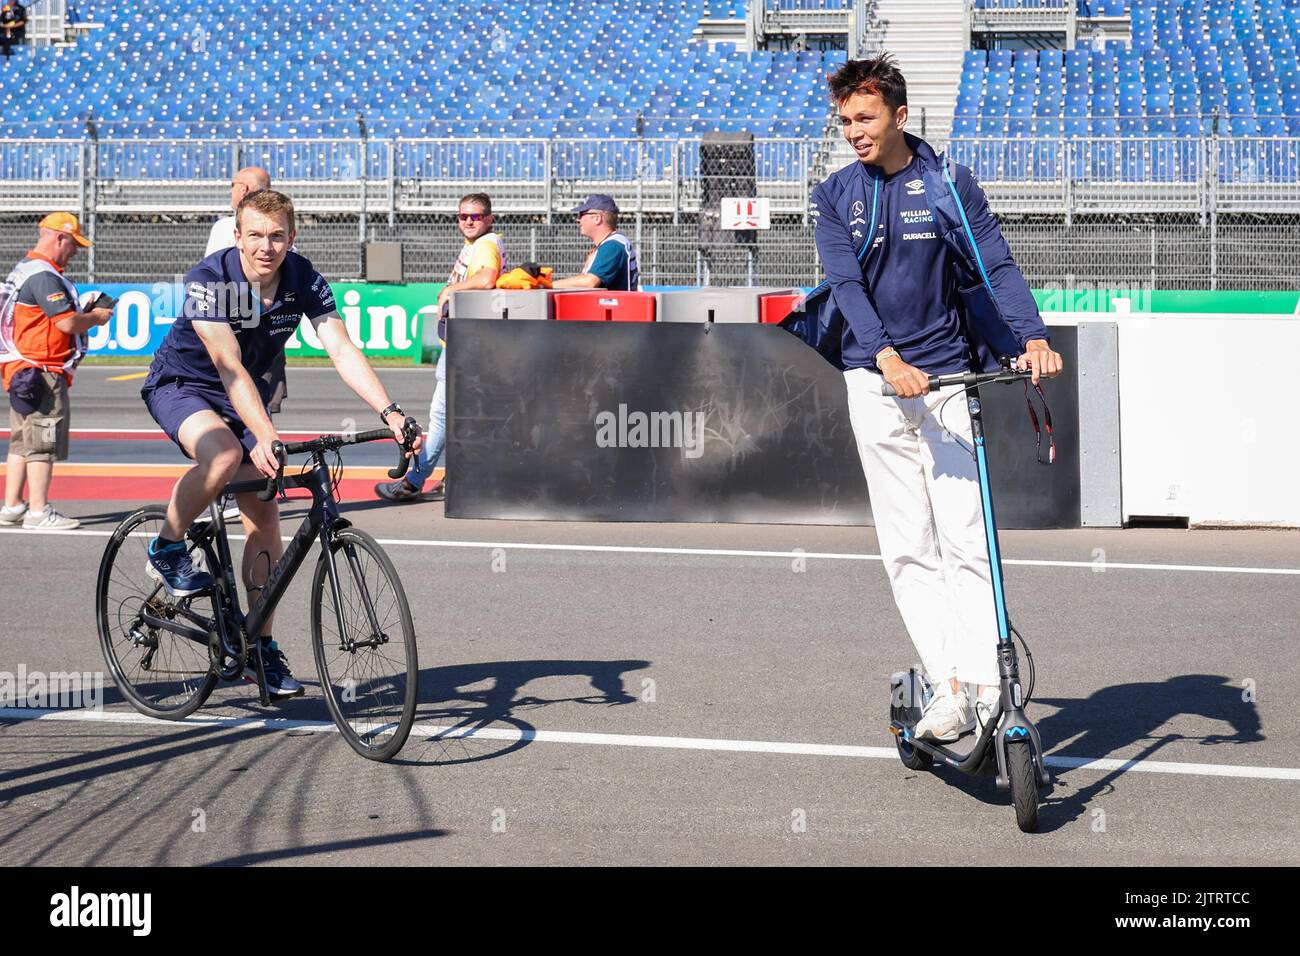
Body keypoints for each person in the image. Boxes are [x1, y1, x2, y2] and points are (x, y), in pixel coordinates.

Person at [812, 54, 1063, 743]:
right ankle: (947, 687)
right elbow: (846, 287)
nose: (854, 132)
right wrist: (887, 359)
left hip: (950, 380)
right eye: (845, 121)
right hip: (873, 379)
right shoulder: (834, 194)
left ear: (899, 115)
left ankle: (991, 688)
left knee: (966, 540)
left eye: (865, 118)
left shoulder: (949, 181)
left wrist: (1033, 337)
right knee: (908, 545)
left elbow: (995, 262)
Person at [140, 189, 422, 699]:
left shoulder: (303, 278)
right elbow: (227, 365)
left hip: (247, 392)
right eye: (255, 235)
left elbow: (340, 346)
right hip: (185, 385)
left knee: (265, 518)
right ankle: (168, 543)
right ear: (237, 236)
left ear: (292, 237)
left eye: (276, 236)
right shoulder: (210, 280)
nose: (266, 247)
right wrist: (265, 432)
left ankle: (259, 648)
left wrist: (390, 410)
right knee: (225, 453)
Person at [374, 192, 505, 503]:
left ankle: (414, 481)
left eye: (476, 216)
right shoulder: (477, 244)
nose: (469, 221)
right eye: (463, 216)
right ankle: (460, 476)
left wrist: (451, 289)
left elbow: (487, 279)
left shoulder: (486, 244)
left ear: (488, 218)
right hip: (470, 341)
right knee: (467, 414)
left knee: (442, 414)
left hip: (466, 343)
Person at [1, 213, 112, 530]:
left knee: (22, 441)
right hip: (42, 370)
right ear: (59, 238)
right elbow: (65, 322)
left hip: (22, 369)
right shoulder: (44, 276)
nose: (75, 251)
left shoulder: (25, 269)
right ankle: (38, 511)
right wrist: (96, 317)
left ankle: (12, 505)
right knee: (43, 442)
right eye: (73, 243)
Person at [206, 166, 289, 416]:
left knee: (230, 412)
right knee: (261, 410)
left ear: (242, 189)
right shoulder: (278, 226)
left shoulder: (226, 227)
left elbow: (212, 281)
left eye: (233, 185)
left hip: (235, 330)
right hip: (267, 327)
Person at [552, 194, 639, 291]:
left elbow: (589, 282)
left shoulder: (613, 245)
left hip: (617, 305)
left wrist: (548, 285)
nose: (578, 220)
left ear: (597, 218)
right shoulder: (611, 243)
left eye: (582, 215)